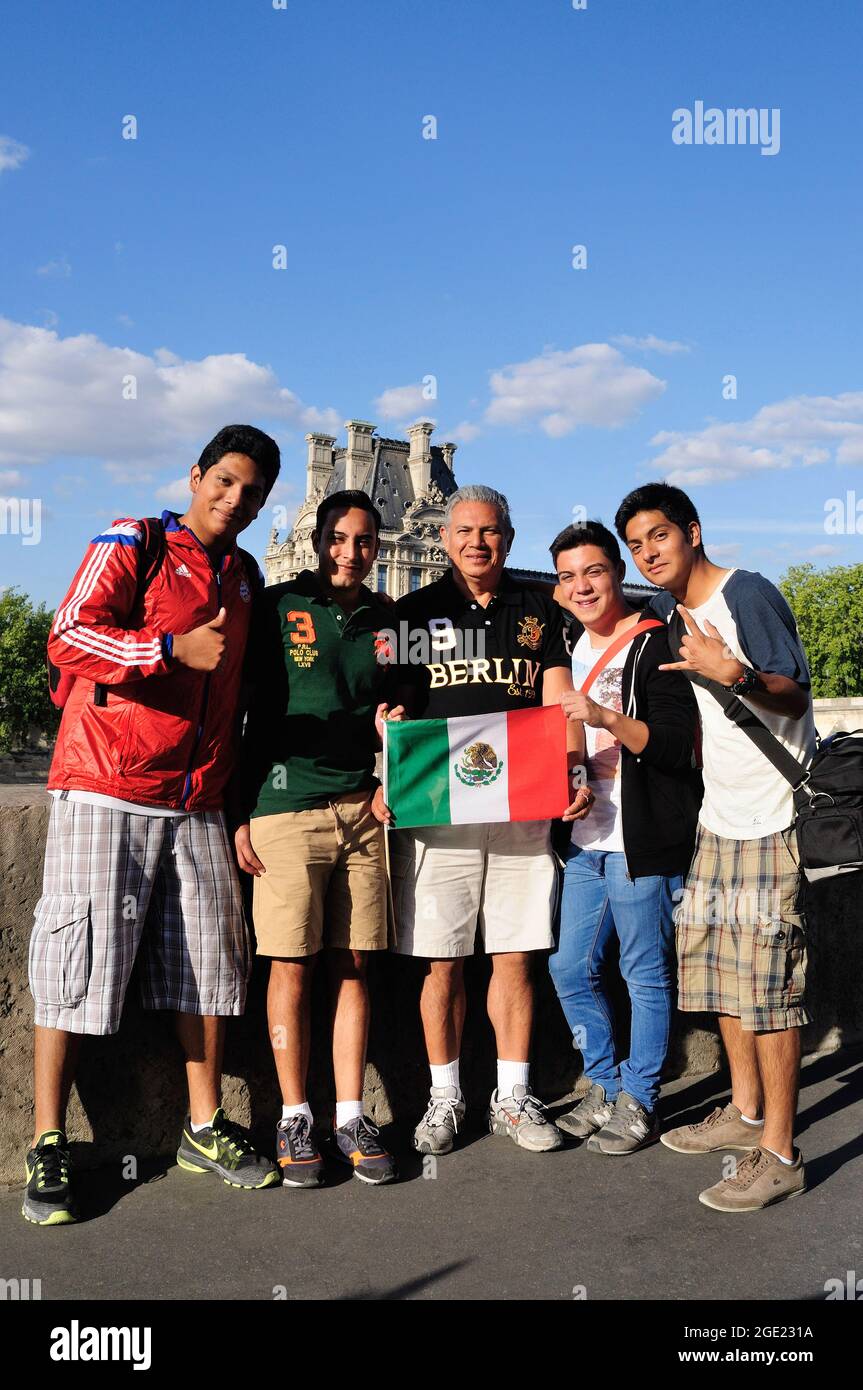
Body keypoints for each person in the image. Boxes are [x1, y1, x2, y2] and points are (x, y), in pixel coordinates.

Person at [25, 424, 282, 1226]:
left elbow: (239, 701)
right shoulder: (132, 539)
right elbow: (65, 633)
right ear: (197, 474)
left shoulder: (244, 575)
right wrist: (166, 648)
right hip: (106, 784)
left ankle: (204, 1128)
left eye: (254, 493)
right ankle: (47, 1140)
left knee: (208, 969)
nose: (236, 501)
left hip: (197, 799)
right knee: (75, 963)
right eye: (226, 482)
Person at [615, 482, 816, 1212]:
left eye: (658, 536)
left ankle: (781, 1153)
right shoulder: (667, 619)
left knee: (768, 992)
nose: (648, 552)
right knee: (719, 979)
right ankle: (746, 1111)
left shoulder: (746, 595)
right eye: (636, 545)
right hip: (718, 819)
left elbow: (794, 693)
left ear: (692, 532)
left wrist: (732, 672)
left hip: (770, 817)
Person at [388, 484, 591, 1157]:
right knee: (441, 964)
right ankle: (444, 1097)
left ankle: (511, 1094)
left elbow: (558, 697)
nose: (478, 542)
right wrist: (385, 746)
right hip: (439, 811)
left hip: (522, 804)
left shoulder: (539, 605)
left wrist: (576, 771)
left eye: (491, 531)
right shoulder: (413, 612)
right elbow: (393, 708)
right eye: (466, 531)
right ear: (446, 540)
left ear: (508, 537)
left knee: (515, 955)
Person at [234, 490, 400, 1187]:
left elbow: (401, 703)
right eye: (337, 538)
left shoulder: (387, 618)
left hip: (363, 807)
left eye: (363, 541)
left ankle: (350, 1114)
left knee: (355, 965)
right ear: (317, 540)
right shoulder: (277, 608)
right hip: (285, 807)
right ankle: (294, 1114)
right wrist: (237, 810)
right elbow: (242, 711)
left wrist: (396, 772)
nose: (349, 552)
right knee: (291, 966)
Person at [547, 521, 702, 1152]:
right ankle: (602, 1081)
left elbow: (672, 746)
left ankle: (641, 1097)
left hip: (641, 837)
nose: (581, 587)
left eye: (593, 572)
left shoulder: (657, 640)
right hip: (586, 835)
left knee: (644, 971)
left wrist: (606, 716)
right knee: (568, 967)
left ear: (617, 573)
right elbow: (562, 743)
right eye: (567, 577)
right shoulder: (565, 647)